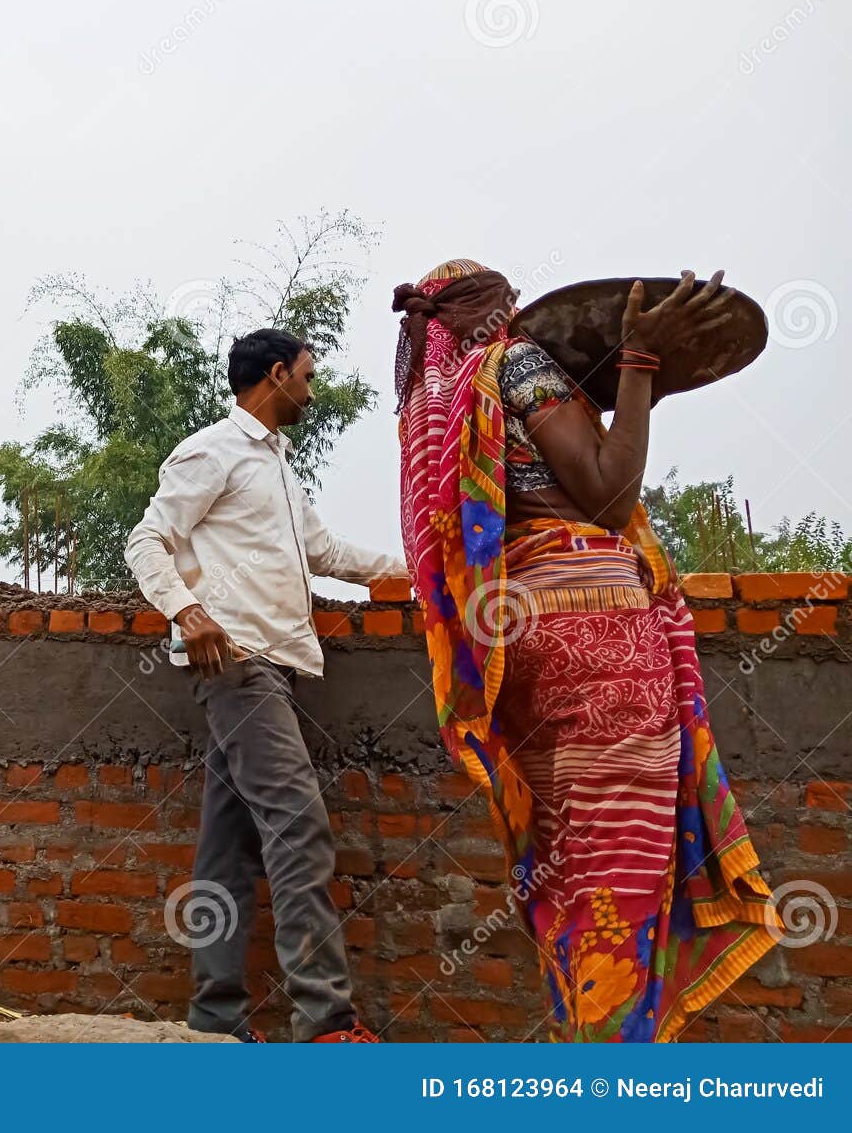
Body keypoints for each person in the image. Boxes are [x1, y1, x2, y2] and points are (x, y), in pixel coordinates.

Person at [392, 260, 778, 1041]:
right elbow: (608, 494)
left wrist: (645, 388)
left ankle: (581, 1057)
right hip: (595, 632)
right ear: (495, 311)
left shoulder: (436, 407)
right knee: (620, 874)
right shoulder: (518, 364)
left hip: (520, 645)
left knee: (569, 870)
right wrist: (638, 368)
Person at [125, 328, 408, 1043]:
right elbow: (146, 539)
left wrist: (414, 571)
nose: (312, 391)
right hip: (238, 663)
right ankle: (325, 1023)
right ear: (276, 374)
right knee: (298, 827)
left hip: (272, 664)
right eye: (307, 376)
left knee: (227, 847)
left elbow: (323, 552)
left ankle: (214, 1020)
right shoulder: (213, 450)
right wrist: (188, 611)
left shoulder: (279, 464)